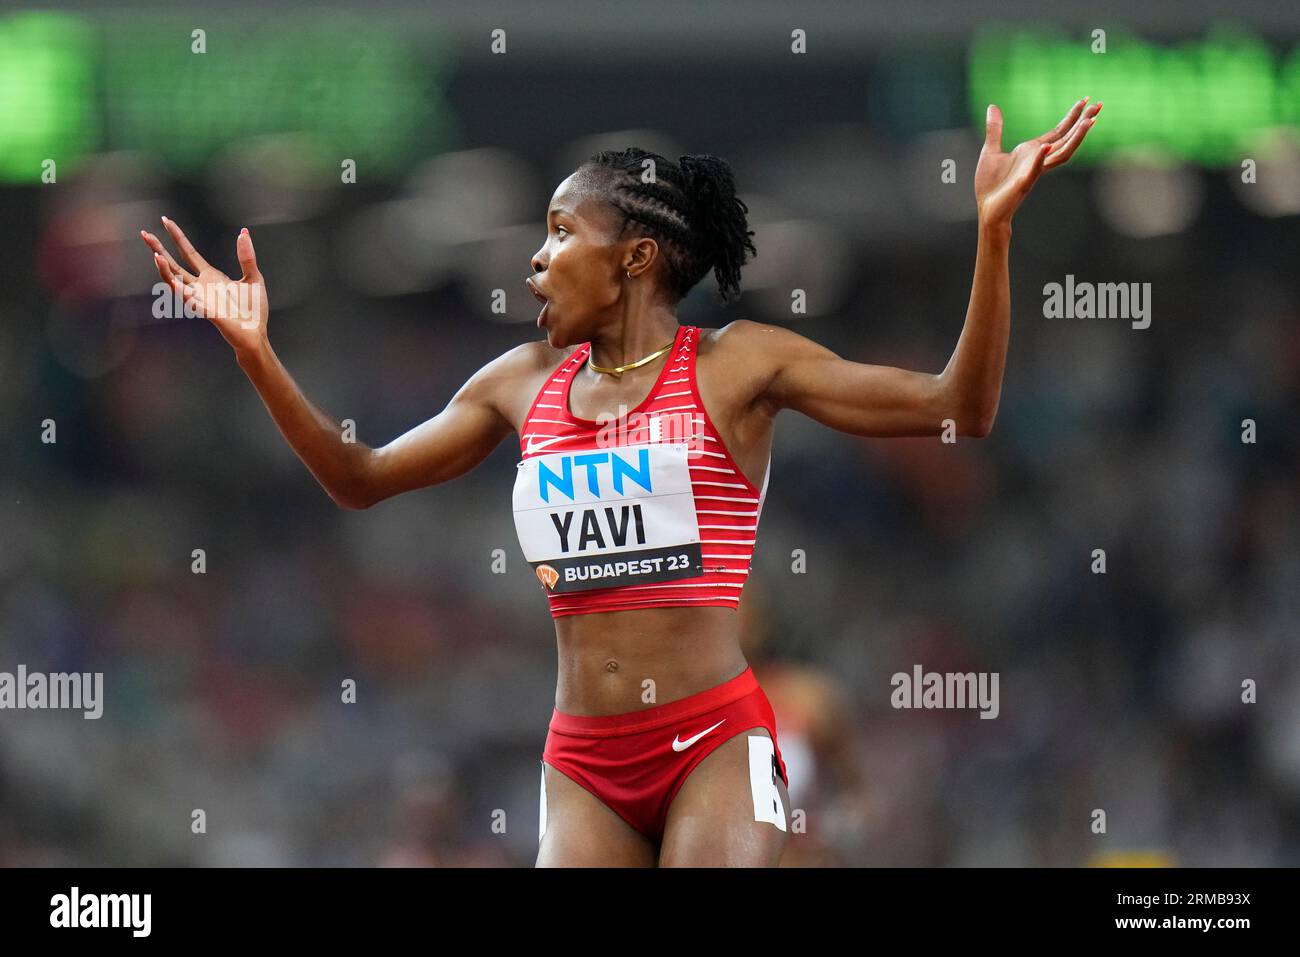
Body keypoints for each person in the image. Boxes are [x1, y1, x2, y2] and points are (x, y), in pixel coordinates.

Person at [139, 98, 1101, 866]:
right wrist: (257, 352)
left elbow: (957, 408)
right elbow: (358, 477)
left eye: (560, 233)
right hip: (584, 763)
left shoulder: (737, 366)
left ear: (635, 257)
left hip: (712, 743)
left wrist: (995, 234)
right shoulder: (518, 386)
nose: (536, 258)